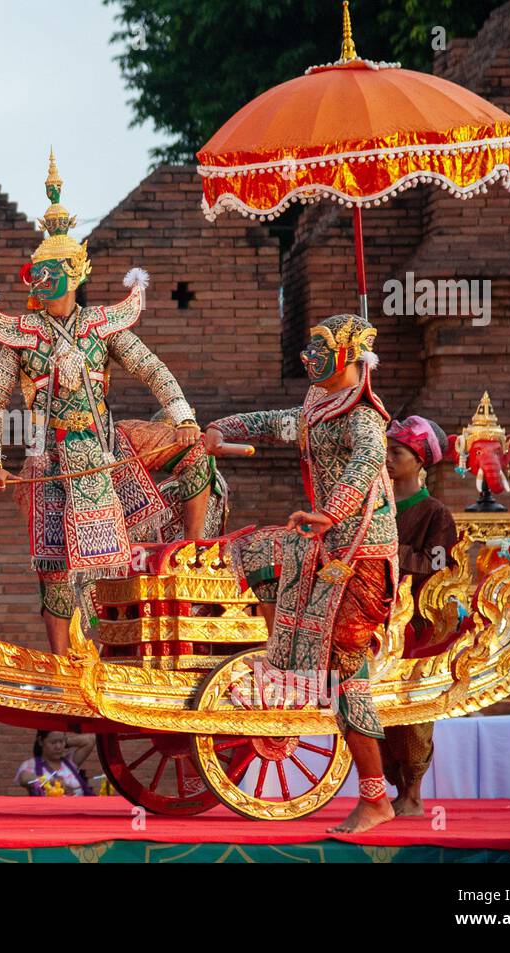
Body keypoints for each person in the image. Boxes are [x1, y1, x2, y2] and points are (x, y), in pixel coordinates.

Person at [0, 151, 227, 653]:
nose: (38, 283)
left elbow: (152, 369)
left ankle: (192, 553)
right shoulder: (21, 336)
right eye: (35, 274)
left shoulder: (102, 328)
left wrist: (183, 419)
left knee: (194, 456)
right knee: (52, 568)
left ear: (72, 272)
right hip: (50, 460)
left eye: (47, 273)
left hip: (110, 447)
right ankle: (63, 661)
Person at [205, 312, 399, 834]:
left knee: (346, 668)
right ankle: (290, 659)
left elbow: (364, 466)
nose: (306, 356)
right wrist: (225, 427)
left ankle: (376, 799)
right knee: (248, 552)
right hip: (322, 542)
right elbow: (277, 423)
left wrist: (332, 510)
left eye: (318, 348)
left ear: (349, 354)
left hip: (362, 551)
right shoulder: (319, 405)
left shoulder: (364, 416)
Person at [379, 415, 458, 817]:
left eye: (398, 452)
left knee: (409, 710)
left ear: (420, 461)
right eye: (387, 450)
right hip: (374, 619)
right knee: (372, 708)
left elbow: (439, 563)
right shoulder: (376, 506)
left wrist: (388, 553)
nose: (388, 458)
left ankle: (412, 791)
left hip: (415, 625)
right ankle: (389, 787)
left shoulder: (434, 513)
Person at [15, 731, 93, 796]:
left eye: (61, 742)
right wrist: (53, 782)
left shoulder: (70, 762)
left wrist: (65, 741)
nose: (58, 747)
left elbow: (90, 740)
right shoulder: (31, 764)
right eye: (53, 742)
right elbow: (25, 779)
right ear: (40, 741)